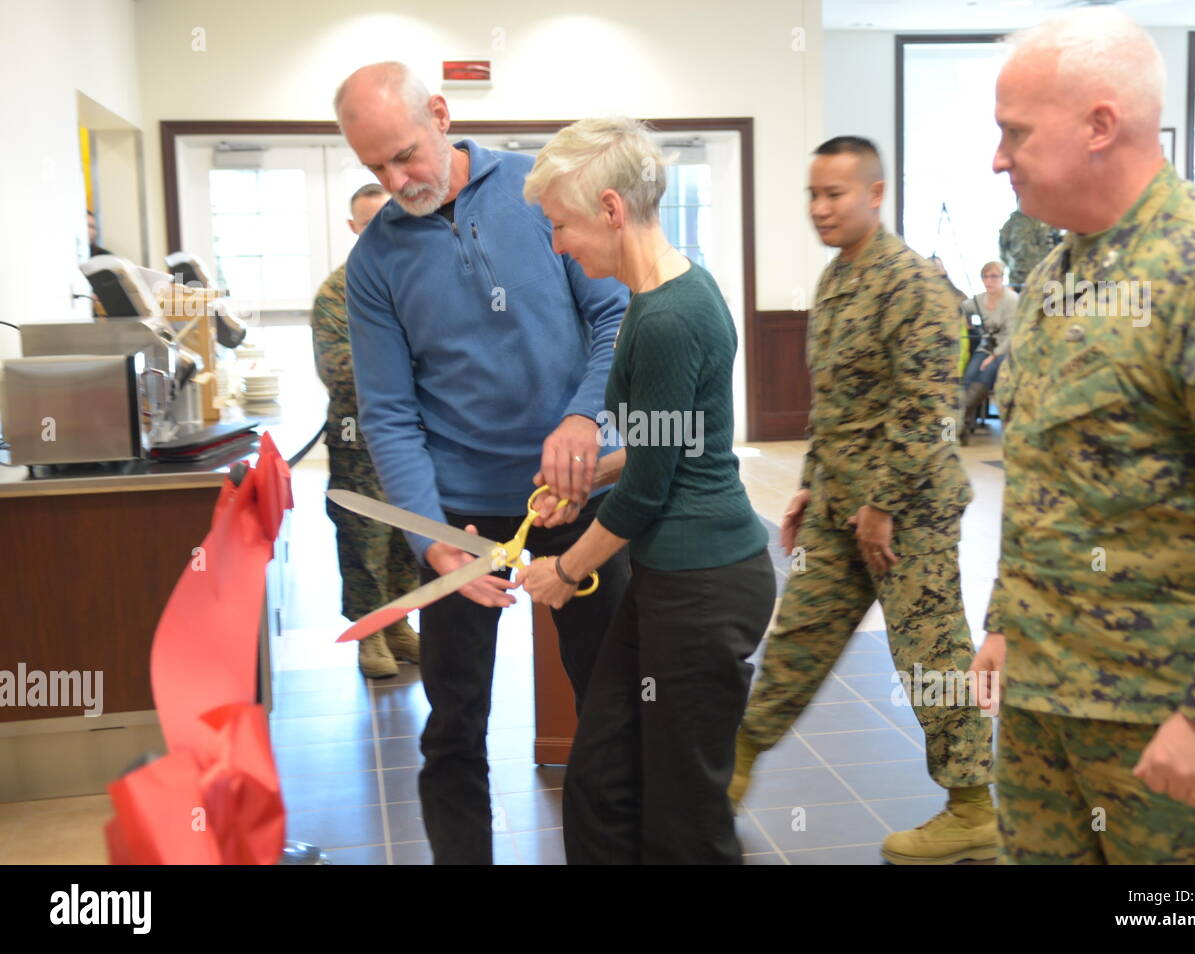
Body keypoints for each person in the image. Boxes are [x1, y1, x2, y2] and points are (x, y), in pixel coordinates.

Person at [972, 8, 1195, 864]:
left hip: (1169, 723)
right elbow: (1046, 476)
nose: (998, 158)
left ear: (1100, 126)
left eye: (1014, 133)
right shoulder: (1057, 276)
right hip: (1049, 703)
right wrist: (1008, 620)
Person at [333, 62, 631, 864]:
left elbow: (612, 316)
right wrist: (432, 535)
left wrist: (582, 418)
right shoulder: (375, 266)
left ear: (440, 114)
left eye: (404, 155)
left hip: (579, 499)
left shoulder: (538, 191)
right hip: (461, 514)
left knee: (609, 705)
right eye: (374, 169)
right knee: (455, 722)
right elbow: (389, 414)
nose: (397, 181)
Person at [730, 136, 996, 865]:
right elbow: (836, 404)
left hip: (908, 514)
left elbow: (927, 411)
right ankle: (737, 765)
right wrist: (813, 483)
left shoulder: (914, 285)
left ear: (874, 195)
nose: (819, 208)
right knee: (799, 637)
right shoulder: (836, 280)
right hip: (840, 507)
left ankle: (973, 809)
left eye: (835, 194)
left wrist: (880, 504)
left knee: (929, 655)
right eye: (812, 194)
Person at [517, 117, 775, 865]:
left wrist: (563, 573)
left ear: (609, 208)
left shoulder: (666, 316)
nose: (559, 245)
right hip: (674, 579)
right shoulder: (664, 291)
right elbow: (669, 448)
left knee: (684, 817)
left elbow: (648, 497)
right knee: (602, 778)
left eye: (561, 225)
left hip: (703, 585)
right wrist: (583, 476)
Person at [311, 183, 421, 679]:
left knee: (407, 532)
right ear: (354, 227)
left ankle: (399, 622)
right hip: (360, 438)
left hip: (415, 433)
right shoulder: (337, 291)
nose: (379, 227)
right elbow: (337, 368)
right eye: (368, 220)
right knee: (365, 535)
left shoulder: (418, 281)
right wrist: (405, 359)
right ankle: (369, 634)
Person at [958, 260, 1018, 441]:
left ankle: (958, 421)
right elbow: (960, 306)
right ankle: (962, 422)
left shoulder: (1011, 300)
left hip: (1006, 350)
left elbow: (1011, 336)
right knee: (968, 378)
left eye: (994, 276)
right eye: (985, 276)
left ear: (1002, 278)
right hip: (986, 347)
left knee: (986, 372)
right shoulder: (978, 300)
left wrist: (994, 356)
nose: (989, 280)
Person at [997, 206, 1058, 290]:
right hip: (1018, 279)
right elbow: (1003, 252)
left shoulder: (1048, 220)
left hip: (1046, 277)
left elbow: (1058, 247)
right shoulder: (1011, 223)